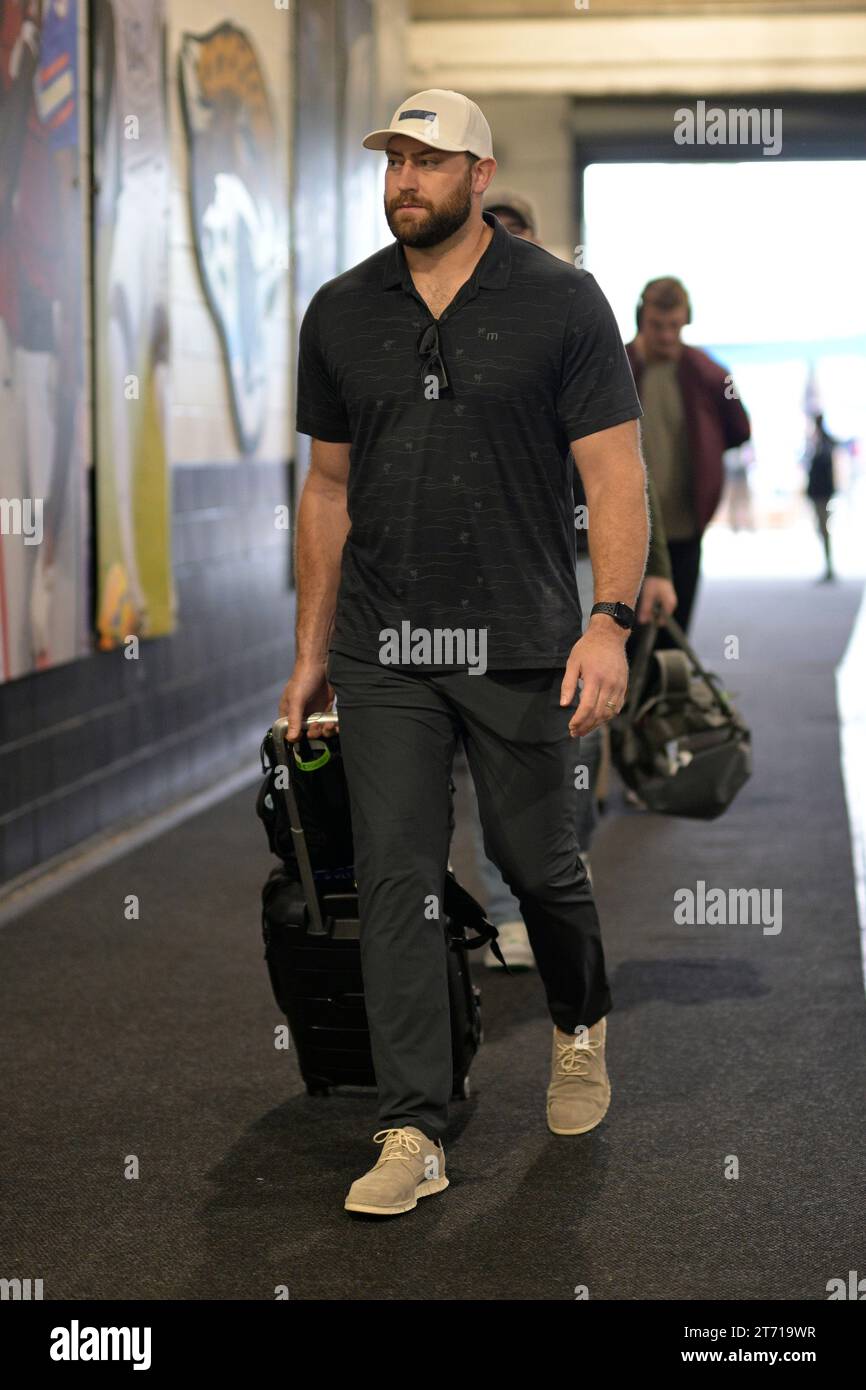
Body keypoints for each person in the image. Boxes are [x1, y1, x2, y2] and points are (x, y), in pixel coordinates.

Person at [280, 88, 650, 1217]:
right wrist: (311, 653)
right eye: (392, 159)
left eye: (427, 162)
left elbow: (614, 477)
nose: (403, 180)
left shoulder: (561, 303)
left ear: (478, 176)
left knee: (536, 864)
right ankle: (412, 1123)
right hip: (384, 648)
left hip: (522, 640)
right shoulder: (341, 312)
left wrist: (608, 620)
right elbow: (328, 489)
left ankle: (577, 1026)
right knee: (395, 876)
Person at [467, 191, 677, 969]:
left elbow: (626, 474)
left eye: (514, 246)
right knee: (500, 751)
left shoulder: (569, 329)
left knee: (580, 745)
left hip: (583, 575)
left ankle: (563, 856)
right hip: (493, 584)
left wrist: (642, 578)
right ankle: (504, 906)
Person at [624, 277, 751, 655]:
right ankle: (628, 712)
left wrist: (706, 455)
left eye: (675, 326)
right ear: (640, 320)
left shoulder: (708, 373)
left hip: (685, 526)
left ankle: (664, 713)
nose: (666, 336)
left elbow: (739, 429)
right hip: (624, 528)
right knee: (623, 637)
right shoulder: (617, 367)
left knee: (673, 640)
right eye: (656, 326)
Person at [804, 412, 837, 582]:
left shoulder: (824, 444)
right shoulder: (816, 444)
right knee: (820, 529)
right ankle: (828, 566)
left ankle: (829, 567)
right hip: (818, 493)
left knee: (824, 529)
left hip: (823, 494)